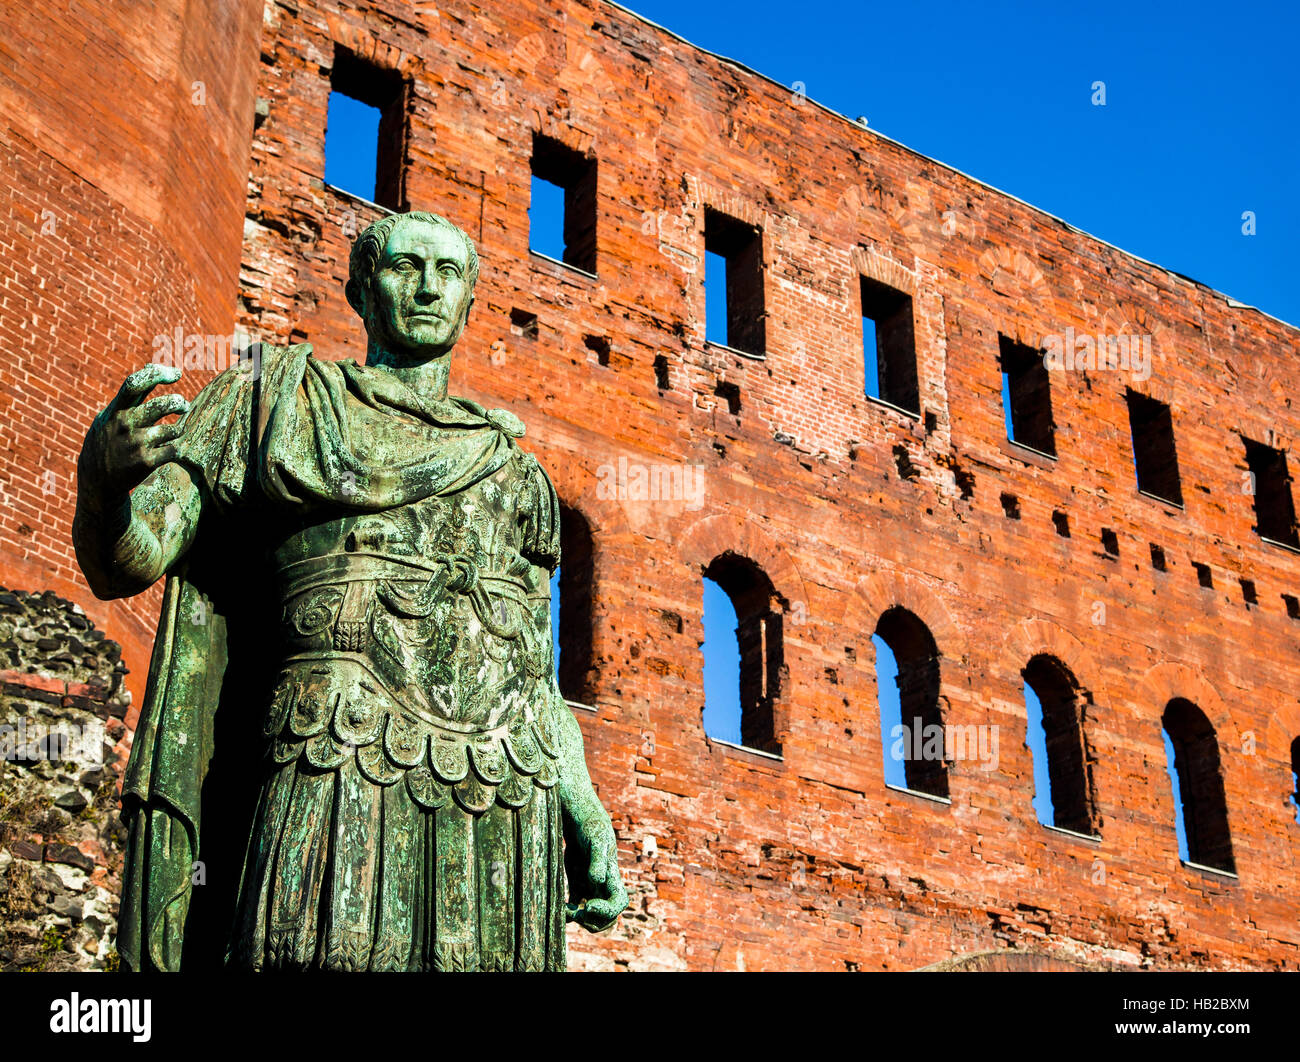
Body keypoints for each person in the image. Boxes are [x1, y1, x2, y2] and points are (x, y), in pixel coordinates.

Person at [73, 210, 627, 971]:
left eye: (448, 273)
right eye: (404, 268)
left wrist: (586, 807)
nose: (427, 289)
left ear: (469, 303)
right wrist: (101, 483)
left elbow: (532, 672)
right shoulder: (272, 404)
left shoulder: (515, 473)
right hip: (334, 757)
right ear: (361, 291)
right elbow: (129, 561)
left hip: (504, 790)